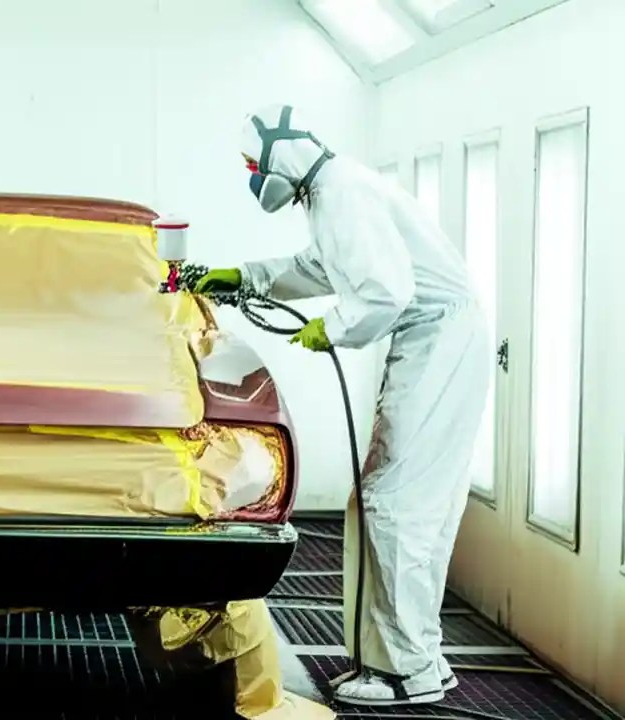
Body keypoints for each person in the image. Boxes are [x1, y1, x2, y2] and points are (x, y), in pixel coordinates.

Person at [196, 104, 490, 707]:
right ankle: (411, 658)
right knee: (395, 500)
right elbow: (320, 266)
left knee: (395, 504)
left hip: (439, 341)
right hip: (434, 340)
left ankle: (406, 671)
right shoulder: (333, 189)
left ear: (281, 154)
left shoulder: (340, 192)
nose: (254, 179)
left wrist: (330, 327)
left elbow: (385, 291)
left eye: (254, 166)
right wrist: (244, 277)